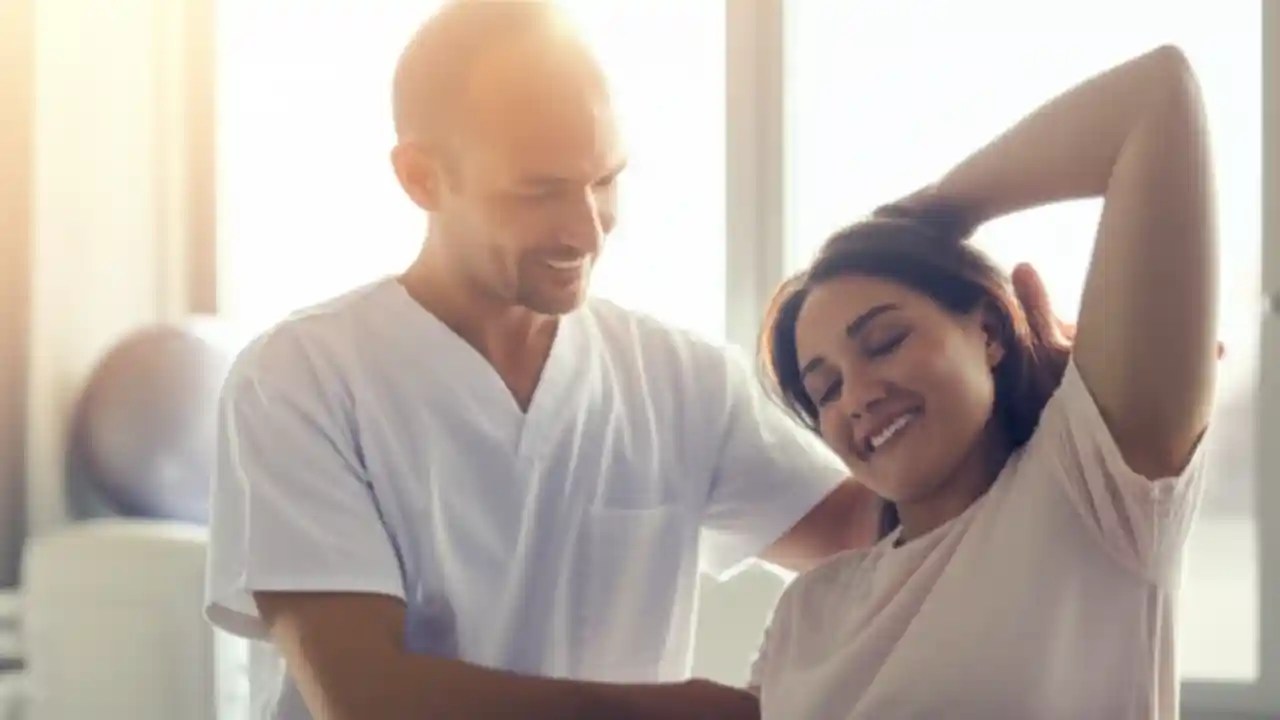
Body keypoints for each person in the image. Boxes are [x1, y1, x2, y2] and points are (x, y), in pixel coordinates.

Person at [201, 2, 905, 718]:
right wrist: (679, 712)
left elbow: (882, 533)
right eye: (539, 191)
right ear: (420, 178)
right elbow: (364, 697)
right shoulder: (301, 380)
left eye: (604, 181)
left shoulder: (680, 380)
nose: (587, 230)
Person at [749, 45, 1218, 718]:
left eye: (885, 341)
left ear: (989, 332)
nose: (857, 398)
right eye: (825, 391)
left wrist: (940, 209)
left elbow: (1158, 96)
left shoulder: (1094, 490)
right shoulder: (808, 610)